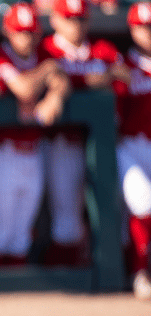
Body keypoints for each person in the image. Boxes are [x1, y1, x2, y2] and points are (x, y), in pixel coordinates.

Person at [0, 2, 71, 267]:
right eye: (19, 31)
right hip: (0, 152)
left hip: (32, 151)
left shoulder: (42, 56)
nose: (25, 37)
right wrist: (49, 70)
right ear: (7, 31)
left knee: (21, 234)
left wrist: (55, 95)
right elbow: (24, 88)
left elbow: (62, 82)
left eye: (31, 32)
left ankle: (15, 303)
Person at [40, 0, 127, 266]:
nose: (75, 25)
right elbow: (45, 80)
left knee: (115, 212)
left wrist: (104, 76)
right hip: (62, 144)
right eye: (68, 18)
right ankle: (71, 277)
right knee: (67, 221)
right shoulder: (47, 50)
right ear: (54, 20)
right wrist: (90, 80)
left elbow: (125, 78)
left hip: (104, 144)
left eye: (80, 19)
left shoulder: (103, 50)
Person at [118, 1, 151, 300]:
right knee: (142, 202)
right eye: (143, 27)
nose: (148, 32)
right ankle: (140, 273)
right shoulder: (122, 65)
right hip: (130, 145)